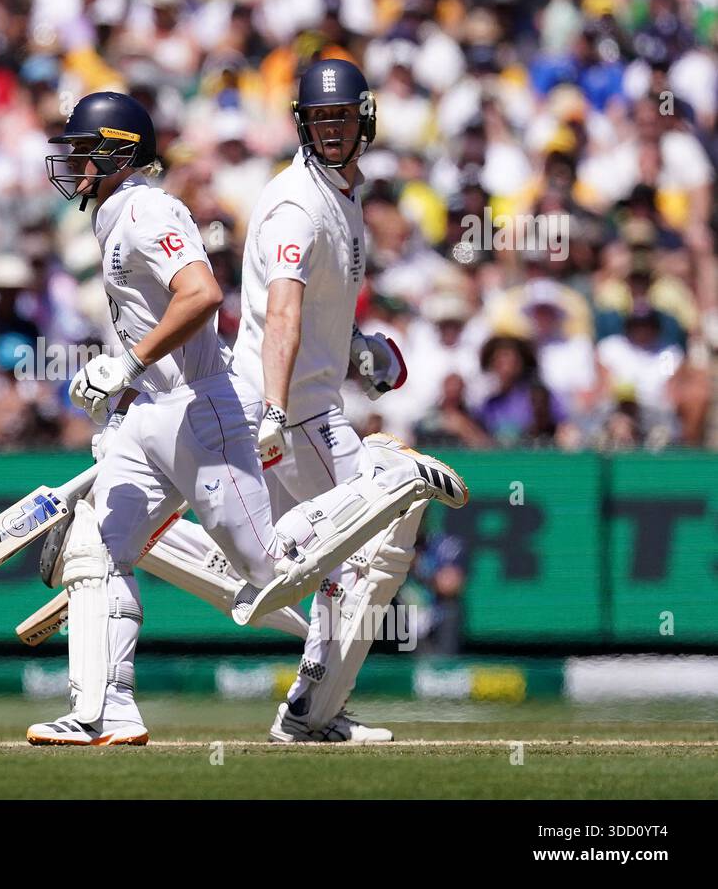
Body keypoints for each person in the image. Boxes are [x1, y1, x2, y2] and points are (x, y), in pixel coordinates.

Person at [27, 90, 463, 746]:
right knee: (98, 548)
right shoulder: (111, 214)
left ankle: (388, 480)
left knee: (274, 577)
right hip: (151, 414)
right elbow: (151, 316)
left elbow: (201, 293)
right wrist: (126, 382)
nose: (74, 165)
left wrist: (127, 363)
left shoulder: (149, 208)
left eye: (85, 152)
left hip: (204, 408)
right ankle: (103, 711)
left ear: (121, 152)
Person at [157, 60, 470, 742]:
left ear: (364, 121)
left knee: (284, 568)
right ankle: (311, 711)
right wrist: (271, 410)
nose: (332, 130)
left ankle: (145, 544)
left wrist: (359, 347)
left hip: (306, 405)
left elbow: (316, 313)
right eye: (321, 118)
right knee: (384, 523)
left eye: (342, 117)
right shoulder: (299, 202)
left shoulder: (342, 196)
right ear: (303, 123)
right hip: (294, 415)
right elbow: (284, 312)